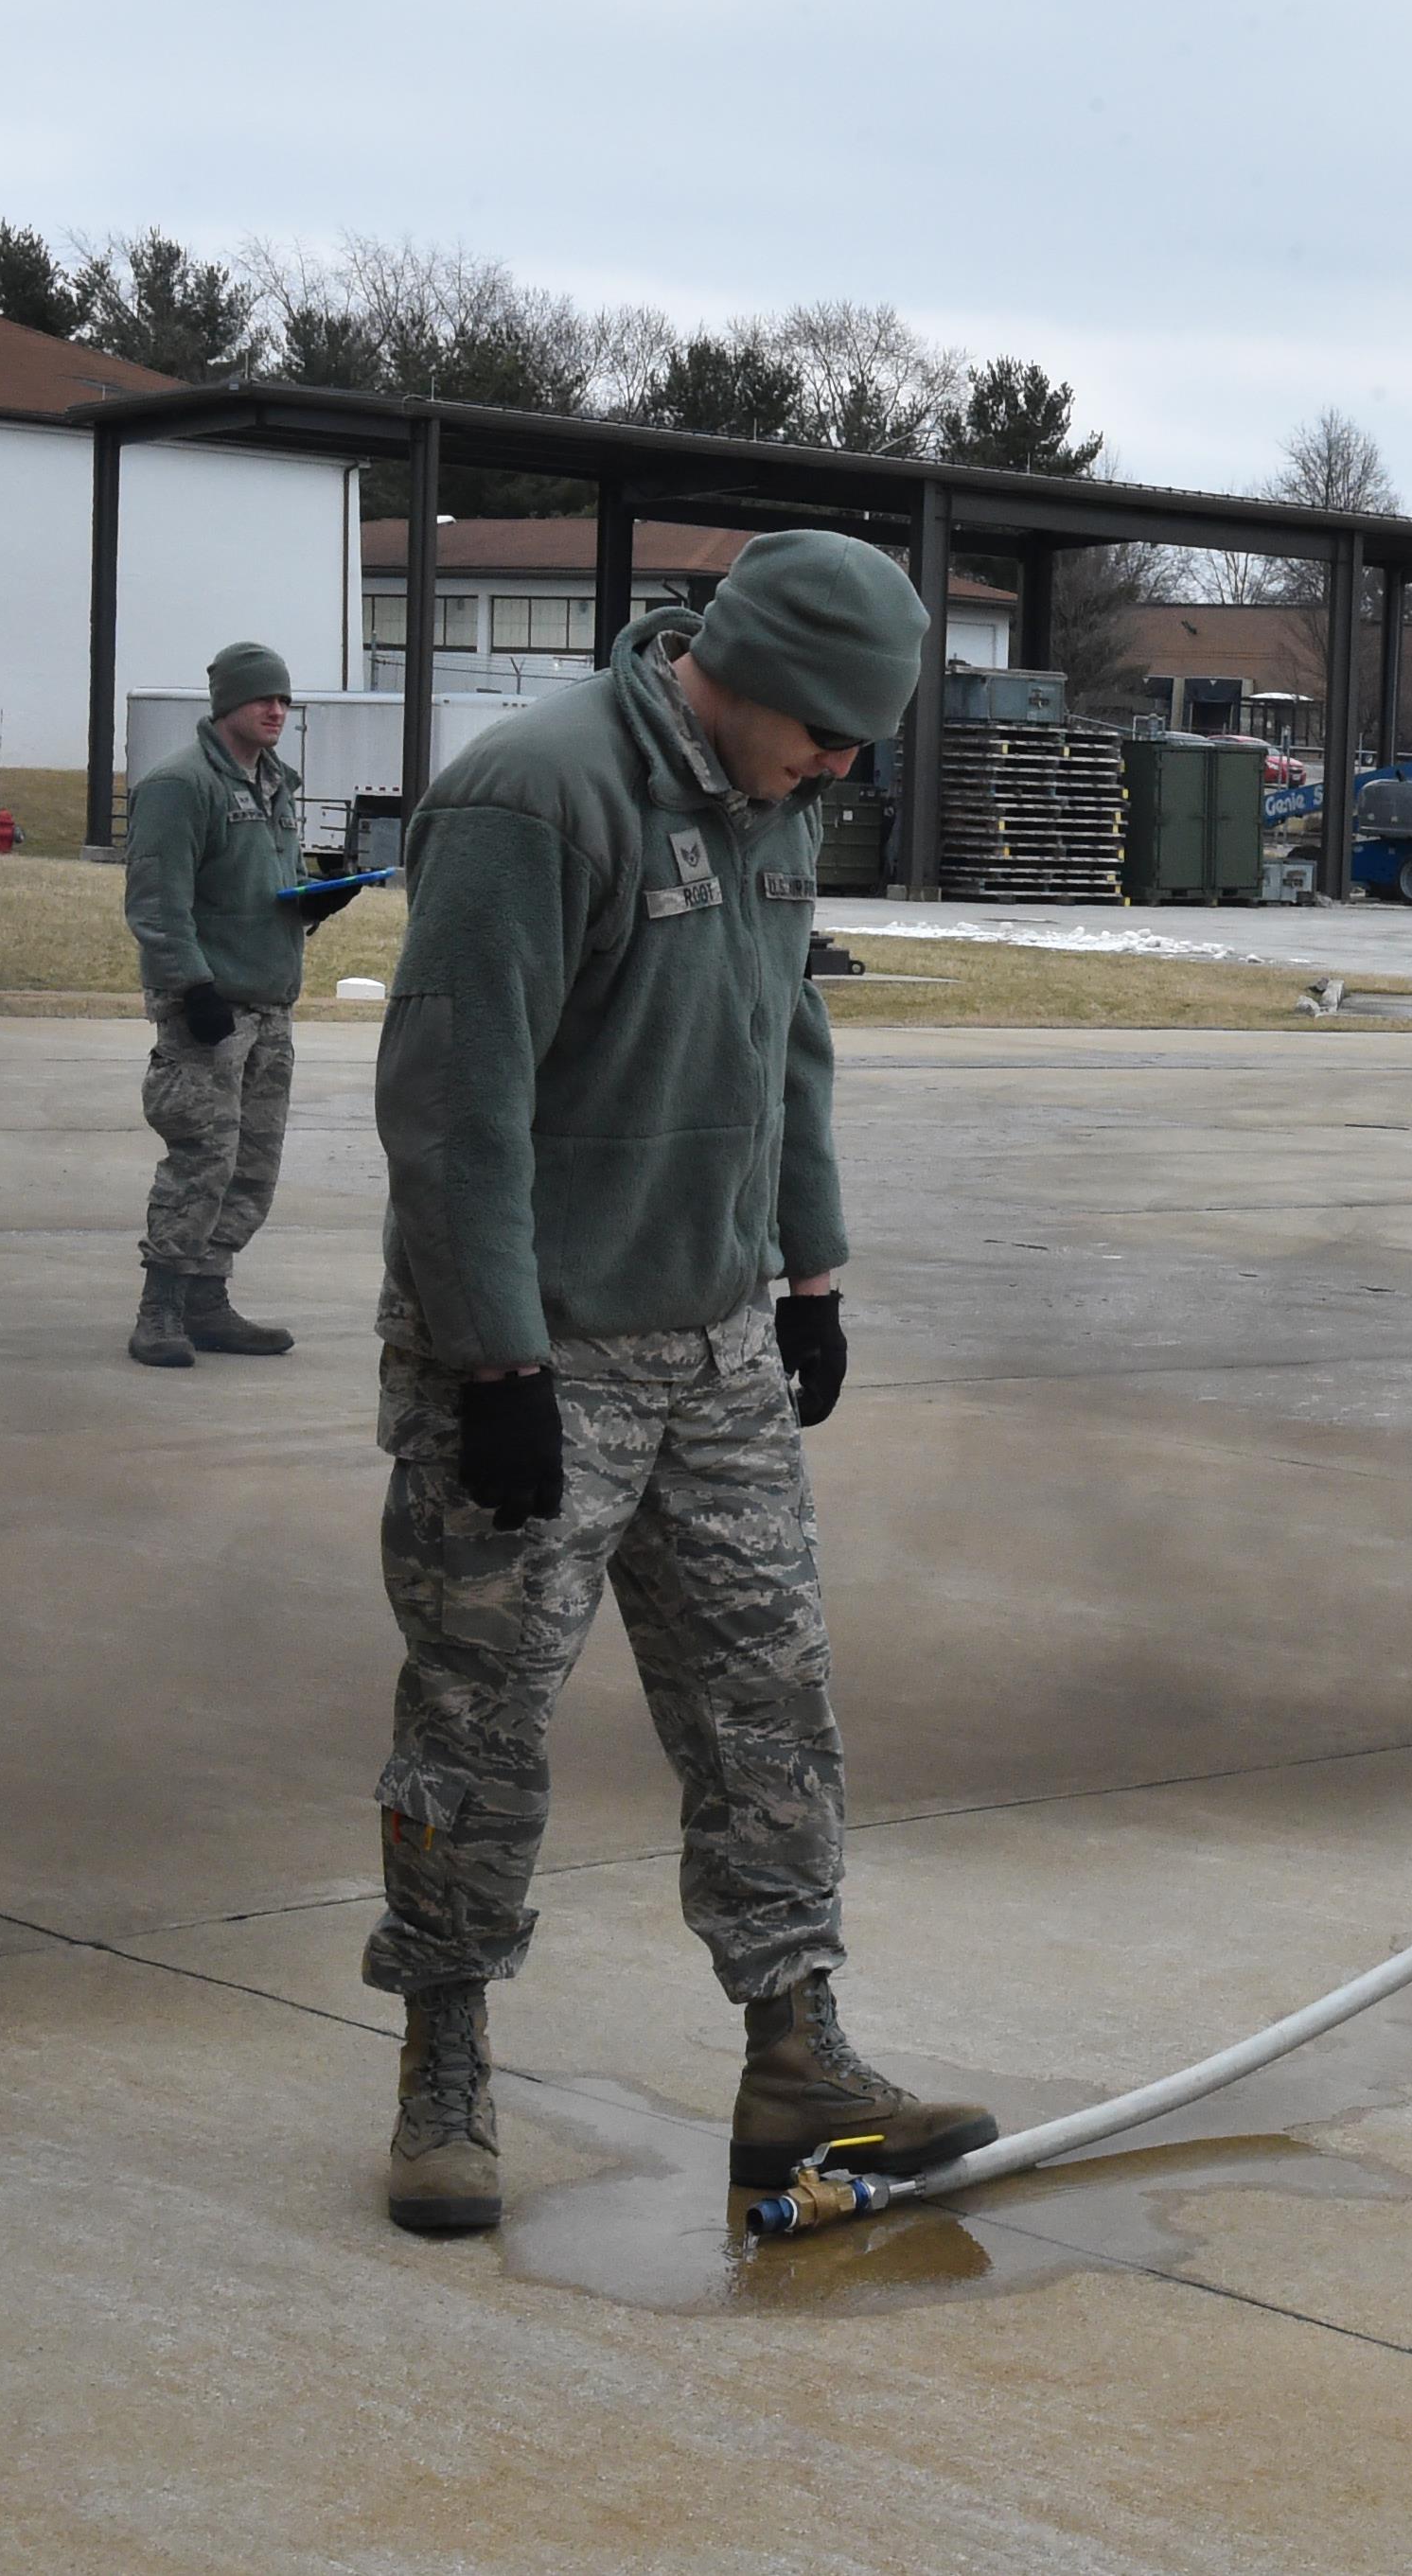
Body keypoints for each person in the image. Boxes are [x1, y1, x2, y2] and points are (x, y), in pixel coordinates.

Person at [362, 532, 993, 2234]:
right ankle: (445, 2062)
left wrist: (812, 1267)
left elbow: (788, 1038)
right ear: (750, 671)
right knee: (480, 1725)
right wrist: (495, 1355)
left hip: (714, 1346)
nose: (845, 769)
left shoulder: (771, 802)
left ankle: (796, 2057)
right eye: (831, 733)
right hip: (537, 1350)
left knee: (768, 1708)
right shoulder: (535, 796)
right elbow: (452, 1104)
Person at [120, 642, 326, 1366]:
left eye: (283, 700)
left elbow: (254, 888)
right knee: (202, 1158)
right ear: (226, 706)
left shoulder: (275, 784)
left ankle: (209, 1300)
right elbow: (156, 903)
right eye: (261, 699)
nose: (276, 711)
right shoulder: (180, 786)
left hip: (270, 1006)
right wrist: (191, 988)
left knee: (251, 1167)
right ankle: (161, 1309)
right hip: (210, 1011)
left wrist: (309, 905)